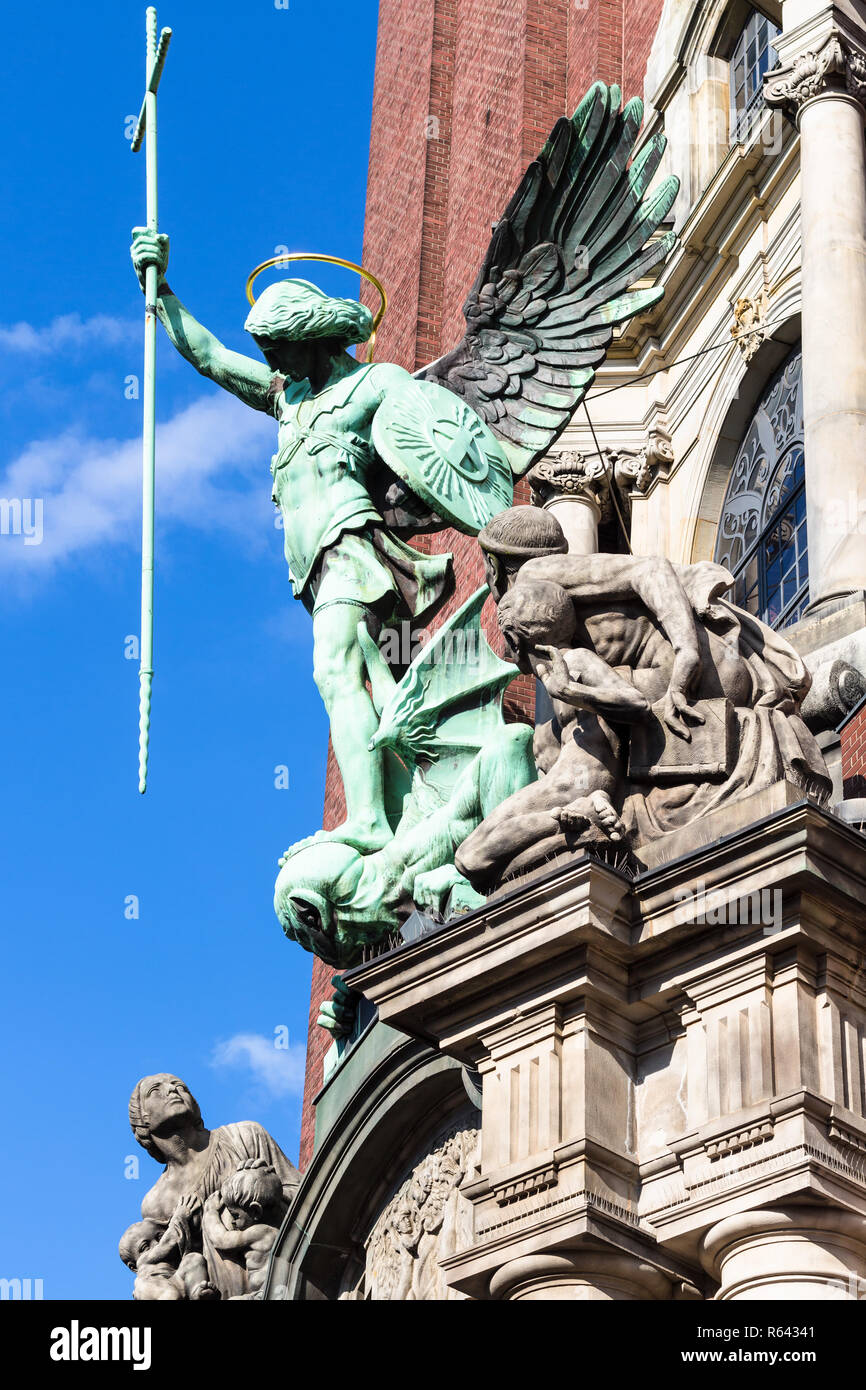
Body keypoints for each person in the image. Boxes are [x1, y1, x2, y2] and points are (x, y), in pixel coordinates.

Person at [130, 230, 450, 852]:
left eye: (278, 347)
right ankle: (408, 803)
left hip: (353, 550)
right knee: (374, 680)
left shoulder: (373, 386)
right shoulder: (286, 399)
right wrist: (160, 287)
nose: (272, 361)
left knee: (335, 672)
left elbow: (443, 436)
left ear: (312, 338)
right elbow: (211, 357)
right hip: (317, 569)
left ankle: (368, 821)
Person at [201, 1161, 289, 1299]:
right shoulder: (282, 1230)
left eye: (236, 1215)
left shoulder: (260, 1233)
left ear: (255, 1211)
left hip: (265, 1294)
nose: (233, 1222)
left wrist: (210, 1212)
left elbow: (222, 1240)